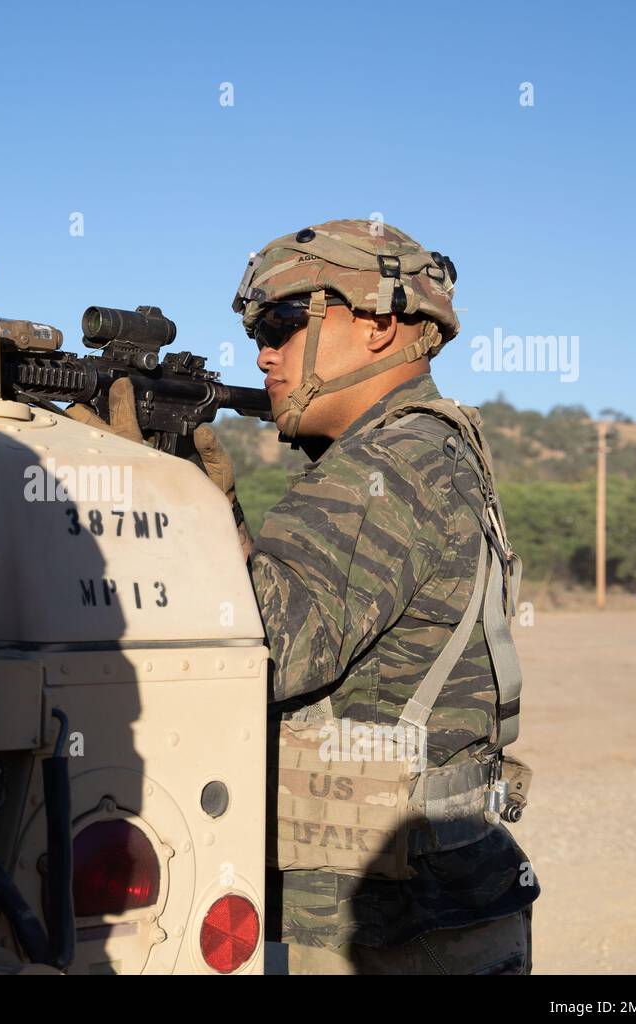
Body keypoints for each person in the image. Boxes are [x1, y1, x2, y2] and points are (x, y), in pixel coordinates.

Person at [70, 219, 538, 974]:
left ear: (381, 325)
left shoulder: (390, 466)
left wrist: (168, 503)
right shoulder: (414, 452)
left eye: (285, 322)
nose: (263, 352)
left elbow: (269, 649)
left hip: (387, 931)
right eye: (258, 327)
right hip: (412, 912)